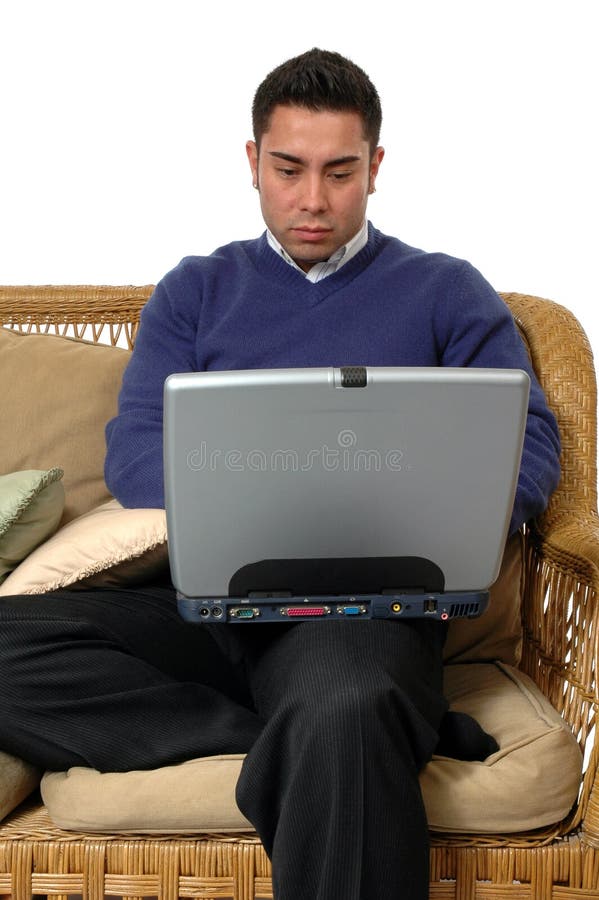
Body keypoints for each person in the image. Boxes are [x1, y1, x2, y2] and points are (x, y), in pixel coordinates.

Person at [0, 49, 560, 900]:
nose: (312, 199)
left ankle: (339, 722)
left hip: (363, 612)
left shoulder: (445, 291)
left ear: (374, 167)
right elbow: (136, 456)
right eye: (288, 169)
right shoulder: (196, 291)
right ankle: (306, 729)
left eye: (339, 172)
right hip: (214, 606)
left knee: (340, 697)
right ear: (251, 162)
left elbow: (529, 453)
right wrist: (263, 496)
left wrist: (391, 508)